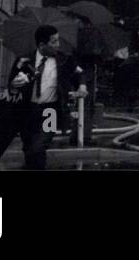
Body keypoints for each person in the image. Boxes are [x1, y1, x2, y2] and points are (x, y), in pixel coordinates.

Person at [8, 24, 85, 170]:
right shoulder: (24, 60)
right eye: (53, 41)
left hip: (50, 111)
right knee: (29, 148)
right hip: (28, 110)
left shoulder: (64, 59)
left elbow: (80, 74)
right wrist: (14, 86)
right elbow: (11, 86)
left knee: (38, 146)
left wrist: (82, 86)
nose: (58, 45)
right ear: (42, 45)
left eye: (58, 40)